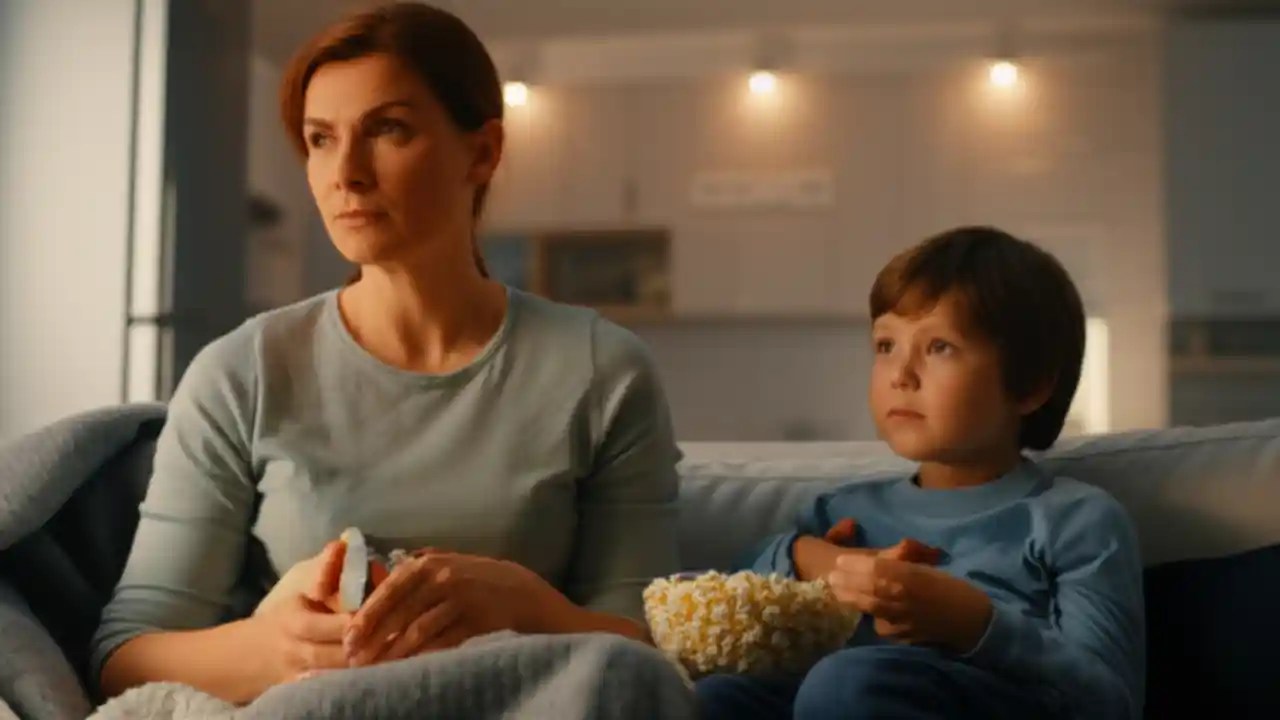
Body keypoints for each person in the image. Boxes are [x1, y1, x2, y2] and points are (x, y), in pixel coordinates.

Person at [91, 2, 681, 704]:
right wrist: (268, 647)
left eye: (388, 129)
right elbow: (125, 658)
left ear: (482, 151)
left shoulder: (602, 372)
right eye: (319, 139)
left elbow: (644, 661)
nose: (346, 173)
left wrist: (523, 605)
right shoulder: (241, 373)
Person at [696, 227, 1145, 720]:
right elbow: (732, 593)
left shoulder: (1075, 519)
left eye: (939, 348)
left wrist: (976, 625)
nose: (900, 374)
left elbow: (1109, 700)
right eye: (886, 345)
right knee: (720, 697)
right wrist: (808, 557)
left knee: (847, 682)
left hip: (967, 698)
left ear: (1031, 386)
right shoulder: (842, 513)